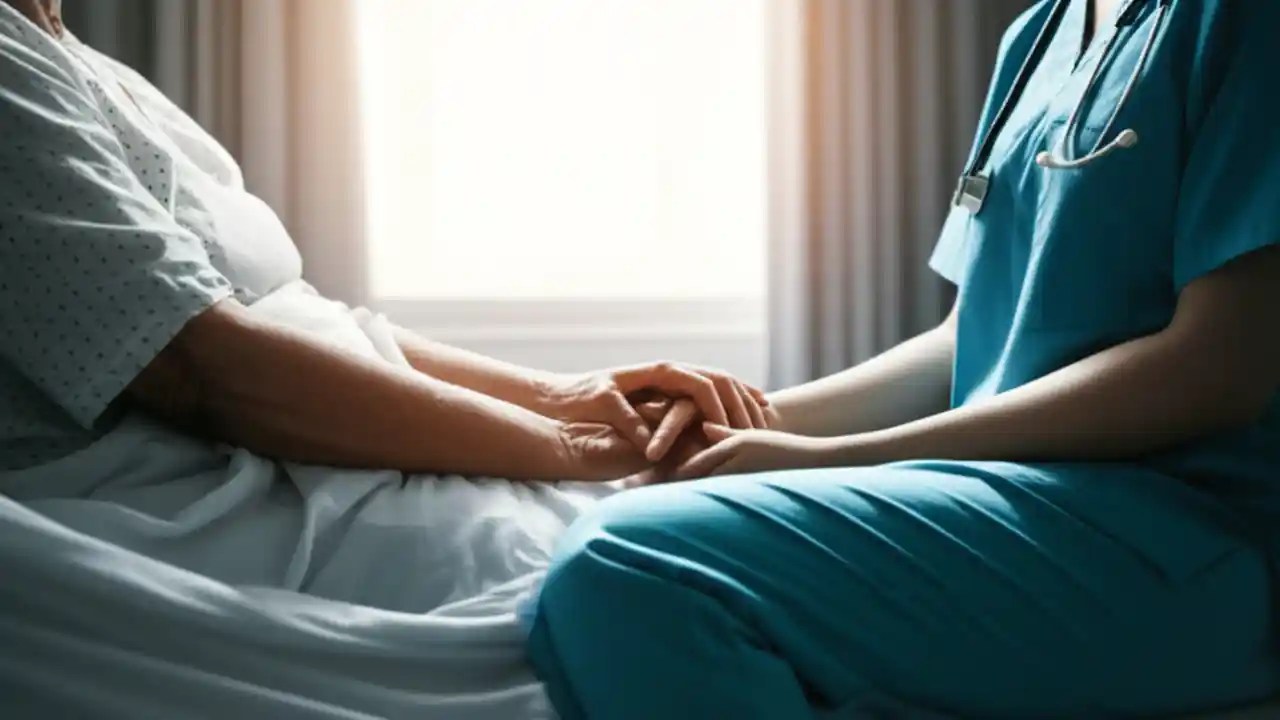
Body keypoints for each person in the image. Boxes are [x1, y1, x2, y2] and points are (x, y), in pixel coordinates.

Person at [525, 0, 1280, 717]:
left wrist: (835, 458)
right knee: (615, 531)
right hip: (1024, 503)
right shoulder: (1037, 38)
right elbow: (963, 342)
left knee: (633, 561)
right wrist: (749, 425)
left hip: (1190, 539)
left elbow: (1217, 367)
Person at [0, 0, 768, 612]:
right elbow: (201, 367)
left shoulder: (77, 59)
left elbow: (299, 316)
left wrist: (560, 397)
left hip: (307, 467)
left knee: (708, 512)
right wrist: (564, 446)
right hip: (215, 502)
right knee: (678, 563)